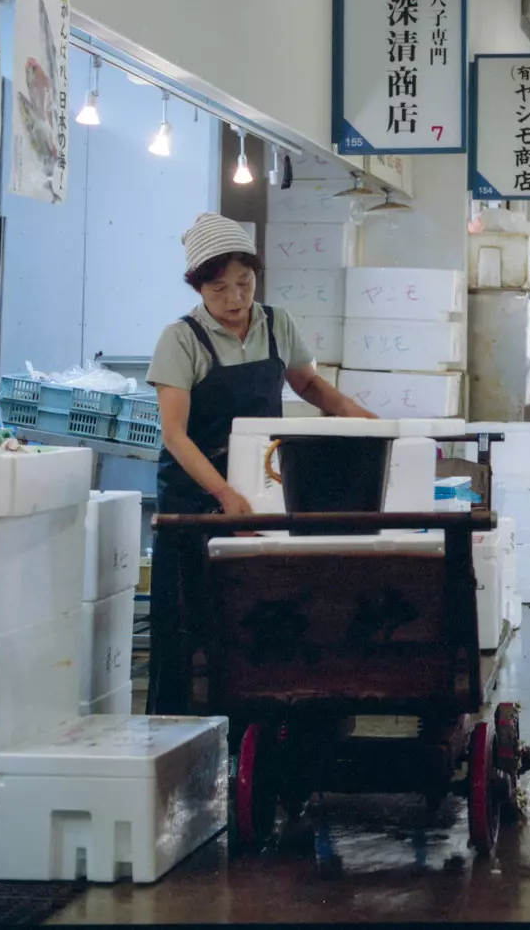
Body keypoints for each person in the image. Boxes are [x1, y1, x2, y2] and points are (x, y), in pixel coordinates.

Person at [147, 214, 376, 715]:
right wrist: (224, 495)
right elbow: (175, 436)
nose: (234, 299)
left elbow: (311, 387)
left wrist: (369, 422)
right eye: (219, 288)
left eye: (245, 283)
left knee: (261, 613)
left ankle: (265, 731)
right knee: (187, 625)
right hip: (195, 499)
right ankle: (175, 739)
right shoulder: (181, 340)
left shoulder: (277, 324)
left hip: (262, 490)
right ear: (197, 287)